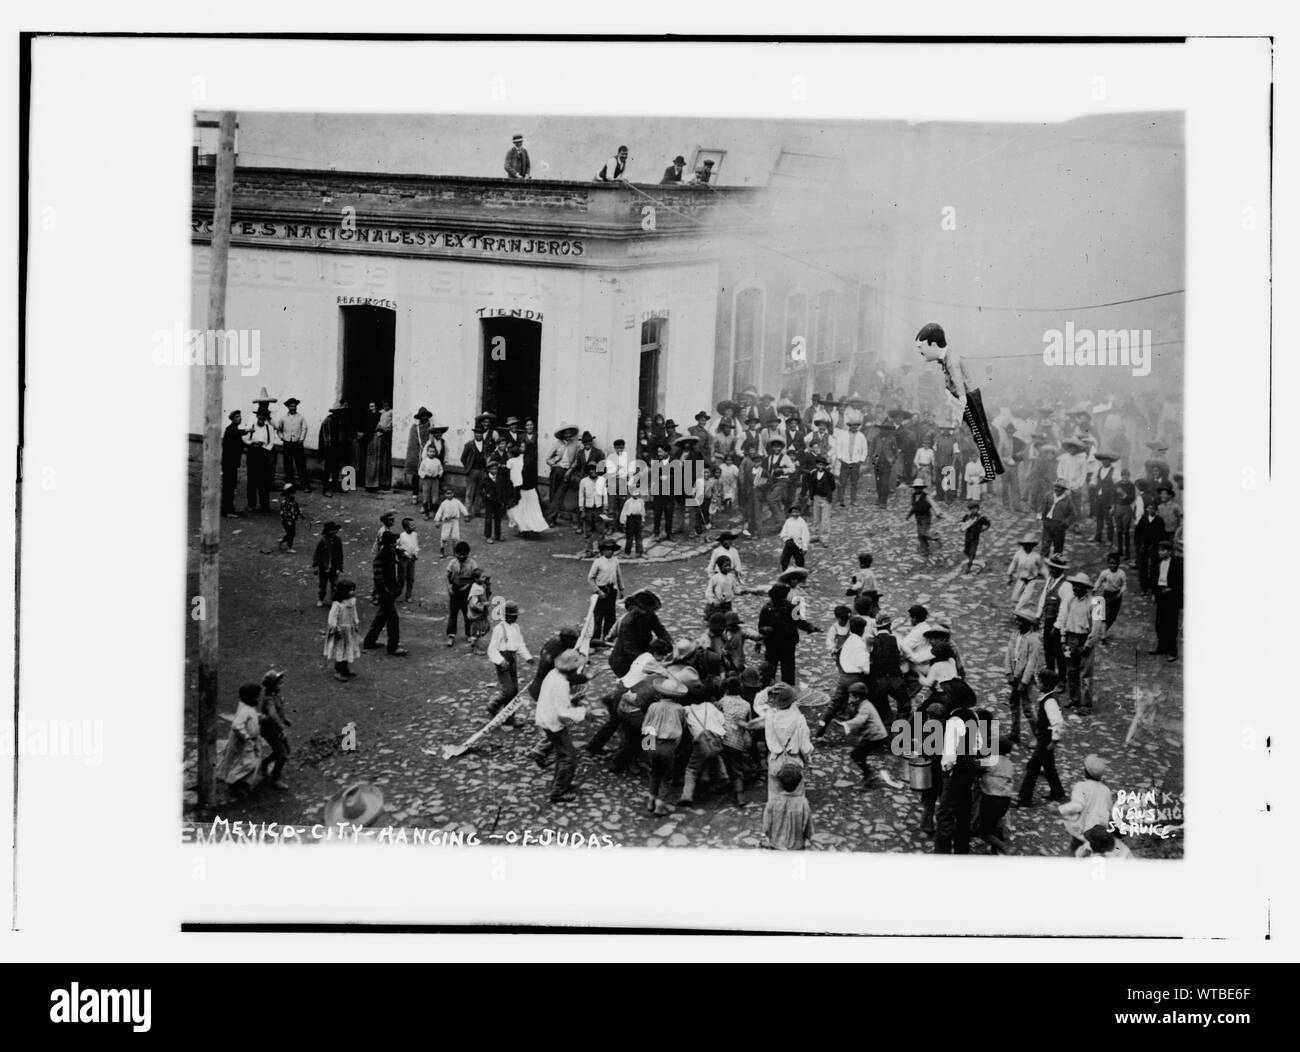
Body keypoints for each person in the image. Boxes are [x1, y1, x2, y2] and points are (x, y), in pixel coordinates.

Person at [914, 323, 1003, 481]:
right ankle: (994, 468)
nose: (920, 352)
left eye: (922, 347)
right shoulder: (946, 357)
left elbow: (958, 381)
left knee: (979, 434)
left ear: (933, 344)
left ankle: (990, 470)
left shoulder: (951, 359)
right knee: (980, 434)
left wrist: (959, 404)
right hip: (966, 396)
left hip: (967, 397)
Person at [534, 649, 588, 804]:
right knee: (569, 757)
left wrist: (571, 698)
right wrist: (584, 712)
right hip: (553, 723)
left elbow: (556, 698)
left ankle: (559, 782)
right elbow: (563, 713)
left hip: (545, 717)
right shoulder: (562, 683)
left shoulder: (553, 674)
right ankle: (558, 792)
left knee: (562, 754)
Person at [1015, 668, 1067, 807]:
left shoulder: (1049, 702)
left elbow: (1057, 722)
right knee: (1049, 766)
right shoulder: (1048, 699)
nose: (1037, 684)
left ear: (1047, 685)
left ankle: (1024, 798)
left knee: (1033, 766)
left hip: (1046, 740)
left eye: (1039, 682)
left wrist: (1054, 741)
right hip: (1045, 739)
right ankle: (1058, 791)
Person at [1056, 572, 1102, 713]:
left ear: (1084, 588)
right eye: (1074, 586)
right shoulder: (1070, 600)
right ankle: (1074, 699)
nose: (1074, 589)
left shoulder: (1096, 602)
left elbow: (1096, 627)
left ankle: (1085, 704)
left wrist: (1088, 644)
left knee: (1085, 672)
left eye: (1077, 587)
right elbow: (1063, 620)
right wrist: (1063, 639)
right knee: (1071, 671)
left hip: (1084, 639)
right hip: (1070, 640)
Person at [839, 683, 899, 789]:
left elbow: (860, 720)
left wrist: (847, 724)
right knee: (859, 754)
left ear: (857, 697)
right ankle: (869, 775)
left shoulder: (865, 707)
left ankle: (870, 775)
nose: (850, 698)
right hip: (873, 735)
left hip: (876, 736)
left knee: (856, 754)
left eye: (851, 696)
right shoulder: (863, 704)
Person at [818, 615, 871, 736]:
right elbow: (865, 668)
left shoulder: (848, 640)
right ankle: (859, 729)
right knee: (862, 703)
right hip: (856, 678)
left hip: (844, 677)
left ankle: (820, 730)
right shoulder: (860, 644)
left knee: (834, 705)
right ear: (862, 630)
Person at [642, 675, 688, 814]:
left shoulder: (653, 706)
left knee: (653, 772)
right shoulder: (679, 709)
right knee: (666, 776)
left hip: (651, 740)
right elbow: (682, 728)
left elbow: (646, 725)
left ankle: (651, 800)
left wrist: (646, 747)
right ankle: (659, 806)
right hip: (668, 745)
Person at [758, 584, 818, 686]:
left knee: (788, 669)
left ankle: (788, 691)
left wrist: (810, 627)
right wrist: (767, 630)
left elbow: (800, 622)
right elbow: (760, 627)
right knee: (769, 668)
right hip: (772, 644)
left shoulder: (791, 608)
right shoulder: (766, 609)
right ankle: (767, 689)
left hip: (788, 643)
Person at [485, 601, 534, 718]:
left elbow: (520, 644)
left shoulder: (516, 627)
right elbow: (492, 649)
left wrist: (527, 657)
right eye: (513, 616)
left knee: (515, 690)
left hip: (512, 658)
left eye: (516, 616)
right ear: (506, 616)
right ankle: (493, 705)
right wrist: (501, 661)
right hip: (502, 659)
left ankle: (509, 717)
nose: (515, 618)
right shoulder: (499, 629)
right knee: (508, 689)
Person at [362, 532, 407, 657]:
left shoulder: (392, 553)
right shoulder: (381, 557)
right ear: (388, 544)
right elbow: (378, 579)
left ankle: (369, 641)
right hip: (385, 592)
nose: (395, 544)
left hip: (390, 591)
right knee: (393, 619)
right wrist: (384, 591)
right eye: (393, 542)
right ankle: (393, 647)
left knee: (382, 616)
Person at [1059, 753, 1114, 855]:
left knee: (1075, 853)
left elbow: (1077, 806)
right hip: (1098, 835)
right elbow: (1109, 810)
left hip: (1082, 833)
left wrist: (1059, 810)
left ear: (1085, 772)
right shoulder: (1106, 790)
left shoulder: (1081, 786)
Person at [216, 683, 265, 796]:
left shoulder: (247, 707)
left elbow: (249, 717)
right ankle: (232, 781)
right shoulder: (245, 710)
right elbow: (236, 726)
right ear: (250, 697)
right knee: (249, 763)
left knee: (255, 759)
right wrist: (246, 736)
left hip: (252, 739)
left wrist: (258, 717)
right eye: (256, 696)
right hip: (246, 741)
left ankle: (244, 782)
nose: (258, 698)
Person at [1005, 613, 1043, 745]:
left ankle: (1039, 737)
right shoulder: (1015, 635)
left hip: (1024, 678)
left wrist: (1024, 682)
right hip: (1015, 675)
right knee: (1013, 703)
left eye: (1021, 622)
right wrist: (1009, 672)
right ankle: (1015, 732)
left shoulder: (1034, 640)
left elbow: (1031, 663)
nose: (1018, 624)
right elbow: (1009, 654)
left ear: (1029, 624)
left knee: (1027, 707)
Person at [976, 734, 1016, 854]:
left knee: (982, 831)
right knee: (997, 825)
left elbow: (974, 766)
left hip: (990, 799)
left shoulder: (988, 761)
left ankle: (1003, 848)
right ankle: (994, 851)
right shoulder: (1009, 764)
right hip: (1005, 800)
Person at [763, 764, 814, 850]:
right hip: (797, 847)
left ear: (779, 782)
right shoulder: (803, 803)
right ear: (798, 783)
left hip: (776, 846)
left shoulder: (772, 802)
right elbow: (809, 830)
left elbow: (766, 827)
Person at [258, 669, 292, 791]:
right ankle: (275, 778)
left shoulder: (274, 696)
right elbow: (272, 715)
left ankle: (265, 763)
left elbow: (279, 711)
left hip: (276, 729)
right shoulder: (269, 700)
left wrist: (285, 719)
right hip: (272, 731)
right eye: (278, 683)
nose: (281, 685)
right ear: (272, 686)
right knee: (282, 755)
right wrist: (281, 726)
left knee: (286, 750)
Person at [1037, 553, 1070, 674]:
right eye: (1050, 567)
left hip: (1058, 623)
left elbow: (1064, 608)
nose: (1051, 570)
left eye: (1054, 568)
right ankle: (1049, 674)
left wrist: (1057, 627)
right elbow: (1043, 597)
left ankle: (1061, 679)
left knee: (1059, 651)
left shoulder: (1066, 585)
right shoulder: (1050, 580)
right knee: (1047, 648)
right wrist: (1038, 615)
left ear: (1061, 569)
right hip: (1048, 620)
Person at [1151, 538, 1182, 661]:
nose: (1160, 553)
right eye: (1159, 550)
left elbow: (1180, 582)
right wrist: (1154, 593)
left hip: (1171, 597)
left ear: (1169, 551)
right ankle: (1161, 647)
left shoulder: (1175, 564)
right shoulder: (1159, 563)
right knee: (1160, 622)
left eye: (1163, 550)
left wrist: (1172, 589)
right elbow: (1155, 578)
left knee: (1171, 624)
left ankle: (1172, 651)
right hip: (1160, 594)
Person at [323, 579, 361, 681]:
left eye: (353, 589)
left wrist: (355, 623)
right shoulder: (337, 605)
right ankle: (339, 670)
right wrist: (335, 628)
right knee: (340, 650)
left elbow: (354, 613)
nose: (352, 592)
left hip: (349, 629)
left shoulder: (352, 602)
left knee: (347, 649)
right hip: (340, 630)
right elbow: (332, 618)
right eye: (350, 590)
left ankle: (345, 669)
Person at [244, 403, 279, 512]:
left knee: (264, 481)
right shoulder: (252, 427)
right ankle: (251, 504)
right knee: (252, 481)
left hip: (264, 455)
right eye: (259, 416)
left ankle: (265, 505)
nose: (261, 418)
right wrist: (252, 444)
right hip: (253, 454)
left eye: (263, 417)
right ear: (257, 416)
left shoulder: (269, 427)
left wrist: (264, 447)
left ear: (265, 418)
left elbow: (271, 442)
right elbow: (245, 438)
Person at [588, 539, 625, 642]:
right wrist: (598, 591)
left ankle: (607, 638)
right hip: (601, 590)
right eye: (607, 549)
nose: (610, 552)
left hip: (612, 590)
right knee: (598, 617)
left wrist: (621, 589)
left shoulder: (615, 560)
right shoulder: (598, 562)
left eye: (612, 549)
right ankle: (595, 640)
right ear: (603, 551)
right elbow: (590, 578)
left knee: (610, 615)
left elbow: (618, 575)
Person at [445, 541, 479, 648]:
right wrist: (449, 588)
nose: (461, 556)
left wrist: (468, 587)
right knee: (453, 615)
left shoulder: (472, 564)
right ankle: (451, 635)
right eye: (459, 554)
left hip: (467, 594)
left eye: (464, 554)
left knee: (467, 615)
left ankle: (469, 634)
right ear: (456, 554)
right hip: (455, 592)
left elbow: (476, 579)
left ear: (468, 554)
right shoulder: (452, 563)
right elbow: (447, 577)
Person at [318, 401, 354, 498]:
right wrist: (323, 450)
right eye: (339, 411)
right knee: (328, 469)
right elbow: (323, 436)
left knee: (336, 468)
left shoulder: (340, 421)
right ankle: (325, 489)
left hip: (338, 448)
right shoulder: (327, 421)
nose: (340, 413)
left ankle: (335, 486)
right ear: (334, 412)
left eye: (341, 411)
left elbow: (344, 433)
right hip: (329, 448)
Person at [277, 397, 310, 492]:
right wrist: (282, 437)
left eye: (295, 406)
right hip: (287, 444)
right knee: (288, 465)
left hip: (297, 444)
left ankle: (305, 485)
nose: (293, 407)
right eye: (291, 406)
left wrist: (301, 439)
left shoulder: (300, 417)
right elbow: (279, 429)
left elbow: (304, 428)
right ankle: (290, 485)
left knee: (301, 464)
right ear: (288, 407)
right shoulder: (283, 418)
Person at [403, 407, 435, 502]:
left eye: (426, 416)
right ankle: (415, 495)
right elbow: (412, 443)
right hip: (417, 454)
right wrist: (414, 455)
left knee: (428, 475)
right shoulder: (414, 428)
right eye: (422, 416)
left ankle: (427, 497)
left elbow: (433, 441)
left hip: (428, 454)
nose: (424, 418)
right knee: (416, 475)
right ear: (419, 417)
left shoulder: (431, 428)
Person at [801, 456, 836, 544]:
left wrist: (827, 493)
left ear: (825, 466)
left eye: (823, 465)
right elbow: (811, 485)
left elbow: (833, 486)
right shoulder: (813, 474)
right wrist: (811, 497)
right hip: (816, 497)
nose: (821, 467)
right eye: (819, 465)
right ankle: (815, 535)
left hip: (826, 498)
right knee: (816, 518)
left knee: (825, 520)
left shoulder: (829, 475)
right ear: (816, 465)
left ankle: (825, 538)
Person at [577, 460, 608, 556]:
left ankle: (601, 549)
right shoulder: (584, 481)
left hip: (599, 508)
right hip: (588, 508)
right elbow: (581, 495)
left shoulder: (602, 480)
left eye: (594, 469)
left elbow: (605, 494)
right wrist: (581, 509)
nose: (593, 472)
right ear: (588, 471)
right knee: (587, 530)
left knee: (600, 530)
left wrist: (605, 507)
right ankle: (588, 550)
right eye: (590, 470)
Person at [1095, 552, 1127, 644]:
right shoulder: (1105, 573)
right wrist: (1095, 588)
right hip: (1107, 595)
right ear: (1108, 563)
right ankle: (1103, 635)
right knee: (1105, 615)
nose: (1113, 565)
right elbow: (1099, 581)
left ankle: (1103, 630)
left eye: (1115, 563)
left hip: (1117, 596)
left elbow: (1124, 584)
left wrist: (1121, 592)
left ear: (1118, 564)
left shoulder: (1121, 573)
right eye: (1111, 563)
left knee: (1113, 616)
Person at [311, 521, 344, 607]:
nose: (333, 532)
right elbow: (317, 554)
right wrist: (315, 565)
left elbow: (340, 554)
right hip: (323, 567)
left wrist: (340, 566)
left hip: (334, 567)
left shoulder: (338, 540)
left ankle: (334, 600)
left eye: (334, 530)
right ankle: (320, 599)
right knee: (322, 585)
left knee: (334, 585)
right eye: (331, 530)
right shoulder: (323, 541)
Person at [461, 426, 491, 518]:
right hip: (472, 471)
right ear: (474, 434)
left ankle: (476, 510)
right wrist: (468, 467)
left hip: (482, 470)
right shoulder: (469, 445)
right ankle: (467, 512)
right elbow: (463, 458)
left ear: (483, 434)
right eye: (477, 433)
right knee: (470, 492)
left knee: (479, 492)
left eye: (480, 433)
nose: (479, 435)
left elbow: (488, 457)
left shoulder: (486, 444)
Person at [1040, 478, 1075, 556]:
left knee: (1058, 549)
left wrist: (1066, 523)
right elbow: (1042, 508)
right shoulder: (1048, 496)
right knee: (1045, 546)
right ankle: (1043, 564)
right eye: (1056, 487)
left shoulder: (1067, 500)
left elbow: (1073, 514)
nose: (1057, 489)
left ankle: (1055, 566)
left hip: (1059, 528)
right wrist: (1043, 518)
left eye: (1059, 488)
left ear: (1064, 489)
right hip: (1048, 525)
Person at [221, 409, 246, 518]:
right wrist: (247, 431)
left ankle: (230, 509)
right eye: (236, 417)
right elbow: (236, 435)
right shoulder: (230, 429)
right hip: (229, 463)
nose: (239, 418)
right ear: (232, 419)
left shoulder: (234, 429)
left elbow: (241, 443)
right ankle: (227, 511)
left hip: (232, 463)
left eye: (240, 416)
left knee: (231, 486)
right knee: (229, 486)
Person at [1006, 534, 1043, 605]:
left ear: (1033, 546)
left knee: (1026, 599)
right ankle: (1016, 608)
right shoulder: (1018, 554)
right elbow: (1013, 565)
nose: (1028, 547)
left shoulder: (1036, 556)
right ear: (1023, 545)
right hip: (1020, 579)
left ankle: (1022, 608)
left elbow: (1042, 567)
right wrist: (1009, 576)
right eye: (1026, 545)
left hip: (1031, 580)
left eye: (1030, 545)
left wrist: (1047, 576)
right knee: (1014, 598)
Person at [365, 401, 393, 490]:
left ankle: (379, 483)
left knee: (380, 461)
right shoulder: (370, 415)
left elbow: (387, 426)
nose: (371, 408)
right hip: (371, 438)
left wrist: (381, 429)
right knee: (371, 461)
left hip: (380, 438)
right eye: (370, 406)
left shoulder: (382, 414)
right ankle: (370, 483)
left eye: (373, 406)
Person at [433, 485, 468, 556]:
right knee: (444, 537)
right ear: (445, 494)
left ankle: (455, 551)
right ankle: (442, 550)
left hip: (455, 521)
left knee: (455, 537)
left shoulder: (457, 502)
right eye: (447, 494)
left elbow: (462, 508)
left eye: (451, 493)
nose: (449, 495)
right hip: (446, 522)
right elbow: (439, 512)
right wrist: (437, 521)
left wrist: (466, 515)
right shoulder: (444, 503)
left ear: (453, 493)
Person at [482, 459, 511, 544]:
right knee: (488, 519)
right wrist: (485, 495)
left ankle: (497, 535)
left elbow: (502, 490)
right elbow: (480, 490)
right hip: (489, 502)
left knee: (498, 519)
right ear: (489, 470)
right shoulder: (485, 479)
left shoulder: (500, 478)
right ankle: (488, 536)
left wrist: (503, 501)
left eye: (496, 469)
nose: (494, 471)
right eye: (492, 469)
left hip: (498, 502)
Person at [906, 478, 937, 556]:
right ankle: (925, 548)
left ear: (922, 488)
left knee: (924, 532)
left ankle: (935, 537)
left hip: (925, 517)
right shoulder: (913, 496)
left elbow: (933, 505)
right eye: (916, 488)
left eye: (919, 488)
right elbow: (914, 507)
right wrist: (909, 515)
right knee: (920, 535)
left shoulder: (926, 497)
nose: (917, 490)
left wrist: (938, 513)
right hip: (918, 517)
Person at [959, 499, 991, 573]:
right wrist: (962, 526)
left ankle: (969, 565)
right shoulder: (967, 517)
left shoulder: (981, 518)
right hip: (967, 537)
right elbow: (961, 525)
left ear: (977, 509)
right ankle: (970, 559)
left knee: (972, 552)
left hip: (975, 538)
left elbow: (988, 524)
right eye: (971, 509)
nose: (973, 510)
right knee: (966, 551)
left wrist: (983, 530)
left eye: (975, 509)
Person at [1112, 468, 1137, 560]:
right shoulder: (1117, 484)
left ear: (1129, 476)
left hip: (1126, 508)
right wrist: (1113, 507)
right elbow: (1113, 497)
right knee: (1118, 530)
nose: (1125, 477)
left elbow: (1132, 498)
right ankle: (1120, 550)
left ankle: (1127, 553)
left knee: (1126, 530)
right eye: (1123, 475)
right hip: (1118, 508)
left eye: (1126, 475)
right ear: (1121, 475)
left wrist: (1124, 495)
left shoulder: (1131, 485)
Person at [779, 504, 811, 571]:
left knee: (799, 560)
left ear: (799, 513)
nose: (795, 514)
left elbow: (805, 535)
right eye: (793, 512)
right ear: (791, 513)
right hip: (789, 543)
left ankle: (801, 572)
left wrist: (805, 547)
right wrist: (786, 540)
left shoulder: (802, 522)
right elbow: (783, 532)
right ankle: (785, 571)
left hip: (798, 544)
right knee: (784, 559)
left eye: (796, 512)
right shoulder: (788, 521)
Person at [418, 439, 444, 519]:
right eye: (430, 451)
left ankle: (433, 511)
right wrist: (424, 475)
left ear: (435, 453)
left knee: (434, 497)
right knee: (426, 497)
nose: (431, 453)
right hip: (426, 480)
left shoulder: (437, 461)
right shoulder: (425, 461)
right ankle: (426, 513)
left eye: (433, 452)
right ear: (427, 452)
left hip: (435, 481)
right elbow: (420, 470)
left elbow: (441, 469)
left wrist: (439, 474)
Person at [395, 517, 419, 602]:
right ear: (406, 527)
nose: (414, 526)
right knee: (401, 578)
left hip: (412, 559)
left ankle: (408, 595)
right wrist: (403, 554)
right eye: (412, 525)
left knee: (411, 578)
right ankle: (397, 594)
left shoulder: (415, 535)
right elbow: (397, 547)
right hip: (404, 559)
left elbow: (416, 545)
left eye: (414, 524)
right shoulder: (402, 536)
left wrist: (415, 554)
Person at [619, 486, 646, 557]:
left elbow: (642, 511)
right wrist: (623, 521)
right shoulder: (628, 502)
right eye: (634, 493)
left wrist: (643, 520)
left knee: (639, 536)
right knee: (629, 537)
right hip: (630, 519)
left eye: (637, 493)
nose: (636, 495)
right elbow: (624, 512)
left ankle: (639, 552)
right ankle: (627, 552)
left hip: (638, 519)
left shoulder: (641, 501)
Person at [278, 484, 301, 553]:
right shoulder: (284, 503)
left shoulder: (294, 502)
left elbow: (297, 509)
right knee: (291, 534)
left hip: (292, 520)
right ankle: (289, 547)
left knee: (291, 533)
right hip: (287, 521)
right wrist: (287, 520)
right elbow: (284, 513)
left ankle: (282, 540)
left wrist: (301, 515)